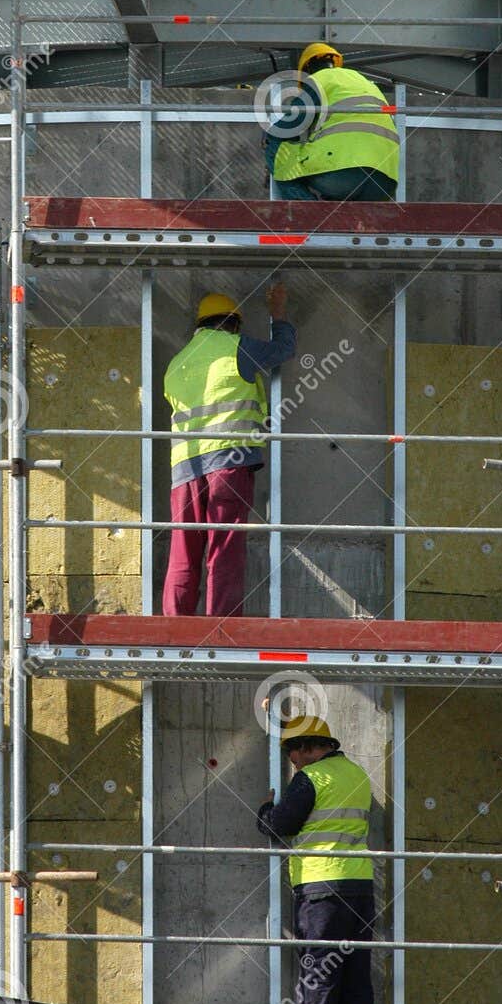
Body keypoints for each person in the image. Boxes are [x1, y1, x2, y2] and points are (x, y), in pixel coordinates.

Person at [162, 283, 296, 617]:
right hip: (228, 463)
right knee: (224, 549)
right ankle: (220, 627)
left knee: (183, 552)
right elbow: (283, 349)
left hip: (183, 472)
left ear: (199, 326)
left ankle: (173, 628)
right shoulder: (236, 347)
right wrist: (278, 313)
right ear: (233, 324)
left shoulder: (176, 364)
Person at [257, 713, 377, 1004]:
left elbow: (280, 825)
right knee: (355, 967)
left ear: (307, 747)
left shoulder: (312, 777)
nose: (292, 761)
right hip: (360, 886)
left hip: (322, 884)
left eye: (291, 752)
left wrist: (266, 809)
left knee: (319, 960)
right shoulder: (358, 774)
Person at [264, 42, 399, 202]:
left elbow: (289, 127)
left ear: (307, 69)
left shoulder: (318, 79)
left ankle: (309, 212)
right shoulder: (363, 81)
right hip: (384, 182)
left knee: (273, 143)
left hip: (343, 176)